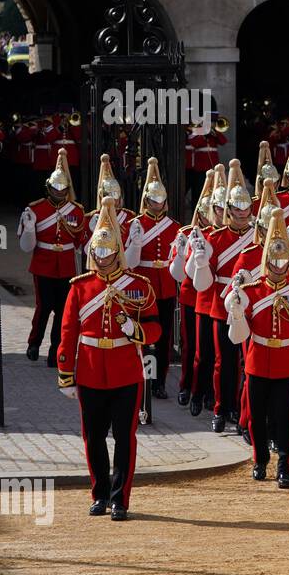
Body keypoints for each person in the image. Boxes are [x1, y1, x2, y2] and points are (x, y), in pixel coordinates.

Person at [56, 196, 161, 521]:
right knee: (93, 437)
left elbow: (156, 328)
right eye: (97, 252)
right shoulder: (80, 287)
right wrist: (66, 373)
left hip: (126, 372)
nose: (102, 258)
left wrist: (134, 329)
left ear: (118, 251)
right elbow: (68, 332)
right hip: (89, 371)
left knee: (124, 438)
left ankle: (120, 499)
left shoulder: (138, 286)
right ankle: (99, 493)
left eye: (107, 252)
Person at [225, 208, 289, 488]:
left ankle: (284, 466)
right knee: (257, 416)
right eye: (273, 260)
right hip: (258, 358)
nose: (277, 265)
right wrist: (236, 309)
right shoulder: (253, 291)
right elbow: (239, 334)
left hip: (286, 361)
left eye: (282, 260)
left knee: (284, 418)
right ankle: (260, 460)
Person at [188, 160, 253, 433]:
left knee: (244, 362)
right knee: (221, 361)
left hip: (249, 302)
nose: (241, 213)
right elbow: (203, 282)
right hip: (220, 303)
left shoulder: (255, 236)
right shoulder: (216, 237)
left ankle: (240, 410)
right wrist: (200, 261)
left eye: (245, 208)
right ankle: (220, 407)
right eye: (236, 209)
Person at [18, 148, 86, 367]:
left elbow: (79, 243)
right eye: (55, 188)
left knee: (62, 310)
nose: (59, 192)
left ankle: (56, 349)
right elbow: (26, 246)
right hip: (43, 264)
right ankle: (34, 343)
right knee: (44, 306)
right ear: (49, 188)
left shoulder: (75, 211)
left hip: (65, 265)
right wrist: (29, 229)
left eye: (62, 189)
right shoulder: (36, 208)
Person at [130, 158, 180, 400]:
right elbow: (130, 261)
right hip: (144, 285)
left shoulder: (174, 226)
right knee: (142, 334)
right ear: (146, 201)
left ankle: (159, 382)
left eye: (160, 201)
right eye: (153, 201)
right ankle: (141, 378)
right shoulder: (136, 224)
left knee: (164, 337)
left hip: (166, 285)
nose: (157, 205)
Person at [168, 170, 216, 406]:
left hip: (213, 296)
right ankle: (187, 385)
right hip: (190, 296)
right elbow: (178, 274)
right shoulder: (186, 233)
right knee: (190, 347)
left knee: (212, 350)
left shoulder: (219, 235)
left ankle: (209, 391)